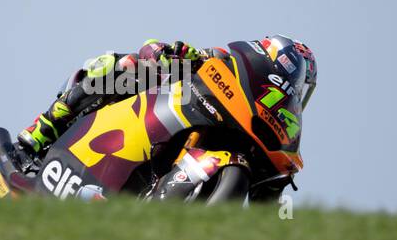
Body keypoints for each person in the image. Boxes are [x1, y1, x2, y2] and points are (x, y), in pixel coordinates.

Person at [17, 35, 316, 154]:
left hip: (173, 132)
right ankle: (46, 126)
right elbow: (154, 46)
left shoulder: (272, 116)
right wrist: (172, 53)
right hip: (151, 100)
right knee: (125, 64)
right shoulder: (227, 62)